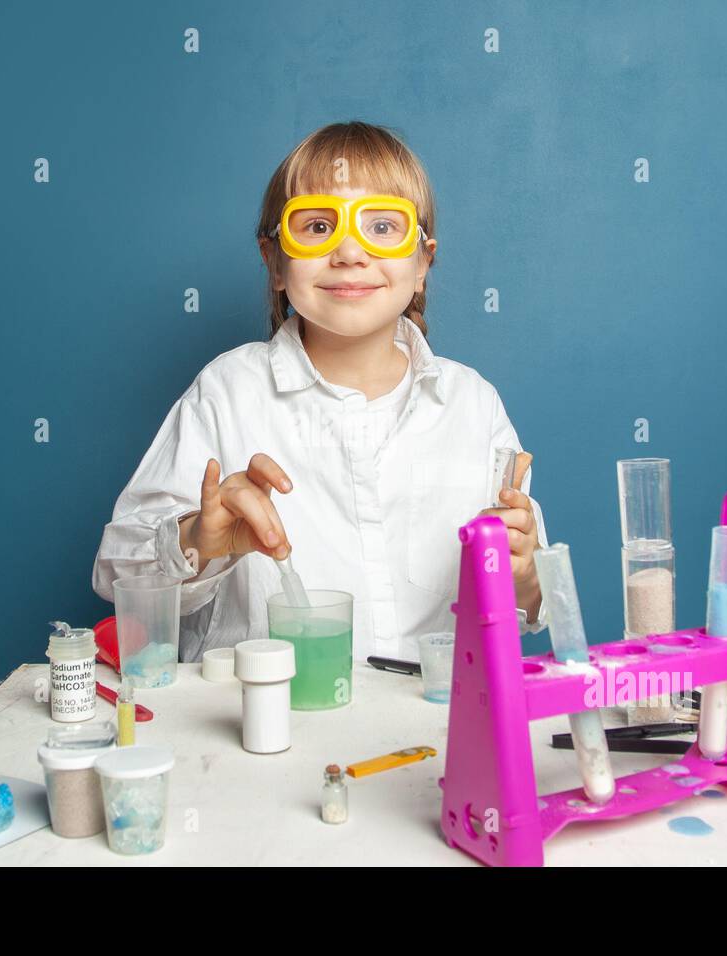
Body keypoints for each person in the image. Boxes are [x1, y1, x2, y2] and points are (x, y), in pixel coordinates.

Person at [93, 121, 549, 663]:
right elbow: (116, 571)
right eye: (316, 227)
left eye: (383, 226)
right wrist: (199, 538)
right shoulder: (227, 392)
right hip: (265, 726)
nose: (350, 252)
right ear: (275, 261)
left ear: (423, 263)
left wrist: (522, 572)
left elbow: (529, 605)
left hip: (431, 722)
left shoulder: (473, 403)